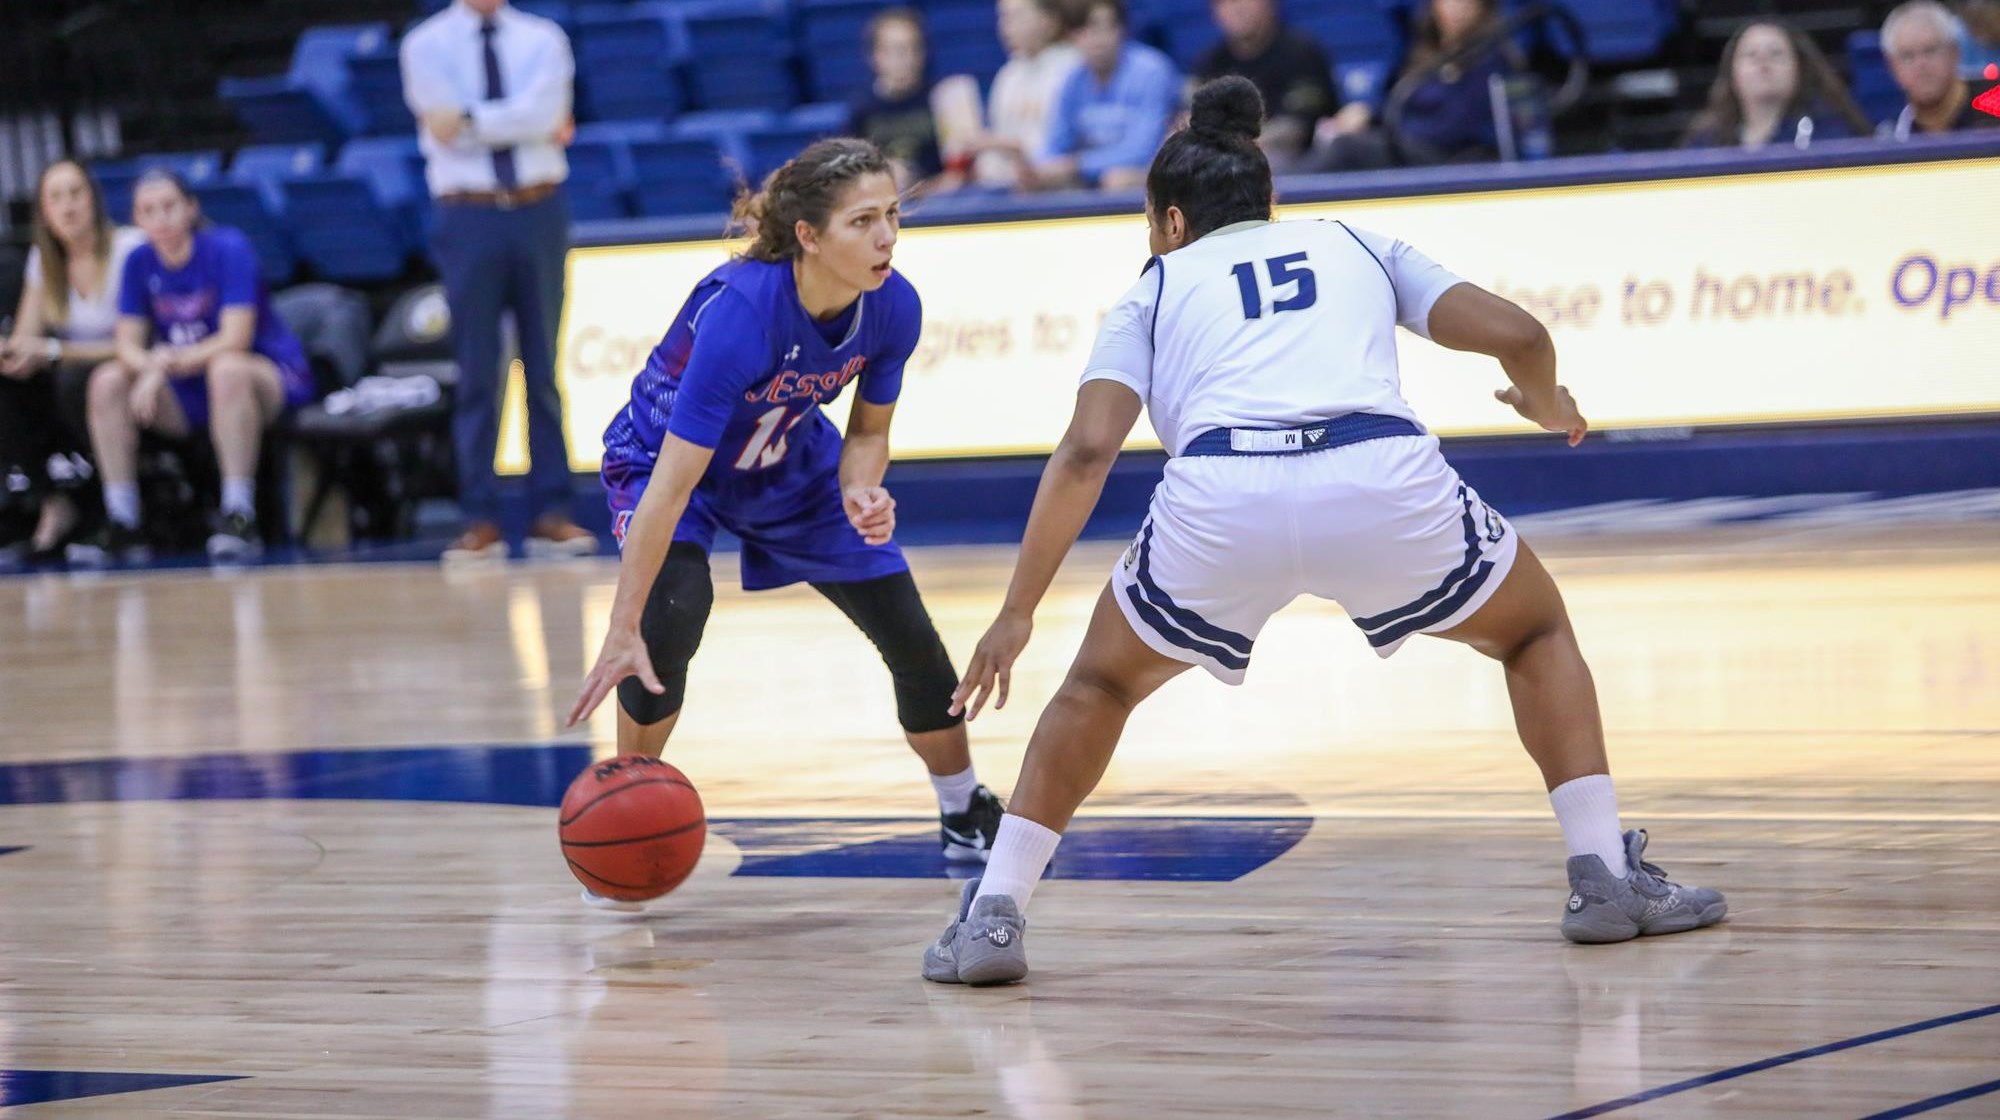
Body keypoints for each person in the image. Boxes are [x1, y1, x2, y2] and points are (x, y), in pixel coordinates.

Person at [920, 78, 1727, 986]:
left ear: (1171, 221)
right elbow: (1520, 333)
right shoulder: (1352, 242)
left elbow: (1087, 449)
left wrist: (1016, 611)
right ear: (1269, 202)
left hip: (1224, 495)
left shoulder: (1154, 284)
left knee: (1098, 687)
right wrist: (1544, 405)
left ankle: (995, 915)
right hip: (1378, 480)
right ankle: (1604, 876)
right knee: (1535, 632)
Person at [565, 139, 1004, 911]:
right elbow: (671, 486)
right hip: (670, 466)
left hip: (792, 466)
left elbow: (867, 433)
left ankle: (964, 809)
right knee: (671, 618)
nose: (887, 238)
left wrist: (864, 491)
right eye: (863, 221)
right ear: (809, 235)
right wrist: (623, 622)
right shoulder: (741, 313)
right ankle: (627, 800)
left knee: (909, 632)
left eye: (892, 216)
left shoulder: (893, 305)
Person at [400, 0, 597, 563]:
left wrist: (469, 121)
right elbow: (446, 125)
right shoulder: (425, 44)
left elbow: (545, 116)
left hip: (539, 208)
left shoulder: (544, 37)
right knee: (477, 371)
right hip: (468, 214)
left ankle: (552, 513)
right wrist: (515, 119)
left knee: (544, 367)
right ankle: (479, 518)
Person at [69, 171, 315, 564]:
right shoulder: (138, 261)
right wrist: (151, 368)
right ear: (137, 219)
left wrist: (162, 366)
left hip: (262, 375)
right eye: (148, 211)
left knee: (226, 369)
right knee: (107, 380)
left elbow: (234, 338)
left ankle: (239, 514)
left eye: (169, 207)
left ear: (191, 208)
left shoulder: (228, 247)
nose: (160, 219)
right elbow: (126, 344)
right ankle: (123, 519)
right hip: (186, 387)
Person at [0, 160, 144, 564]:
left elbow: (136, 345)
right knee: (9, 382)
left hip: (130, 374)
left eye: (75, 194)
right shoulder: (43, 262)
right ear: (43, 212)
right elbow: (26, 341)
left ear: (94, 200)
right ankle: (50, 499)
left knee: (76, 380)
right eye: (55, 198)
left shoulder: (129, 249)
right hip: (73, 379)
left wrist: (54, 353)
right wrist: (12, 353)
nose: (67, 207)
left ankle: (116, 506)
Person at [1311, 0, 1523, 170]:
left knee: (1347, 147)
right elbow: (1395, 98)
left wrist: (1393, 136)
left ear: (1483, 7)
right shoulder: (1424, 52)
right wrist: (1367, 114)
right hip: (1407, 147)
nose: (1455, 8)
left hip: (1451, 158)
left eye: (1465, 2)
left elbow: (1457, 127)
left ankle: (1290, 201)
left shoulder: (1492, 59)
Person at [1036, 0, 1181, 192]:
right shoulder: (1072, 80)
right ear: (1073, 36)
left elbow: (1143, 150)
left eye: (1104, 27)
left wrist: (1076, 165)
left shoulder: (1152, 72)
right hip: (1091, 180)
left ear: (1121, 30)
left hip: (1148, 174)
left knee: (1116, 179)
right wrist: (1041, 168)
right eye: (1084, 29)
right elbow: (1055, 144)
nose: (1095, 38)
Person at [1192, 0, 1340, 170]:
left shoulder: (1301, 52)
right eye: (1225, 2)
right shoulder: (1211, 62)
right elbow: (1192, 121)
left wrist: (1229, 144)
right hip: (1227, 159)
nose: (1237, 8)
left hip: (1298, 161)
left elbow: (1296, 130)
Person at [1680, 20, 1870, 150]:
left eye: (1776, 53)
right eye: (1751, 55)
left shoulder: (1833, 132)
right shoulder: (1706, 140)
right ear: (1731, 71)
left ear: (1799, 68)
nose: (1763, 62)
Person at [971, 0, 1083, 190]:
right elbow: (994, 149)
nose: (1005, 26)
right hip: (1010, 189)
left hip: (1063, 190)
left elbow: (1066, 146)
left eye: (1016, 16)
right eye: (1002, 17)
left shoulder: (1074, 68)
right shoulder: (1008, 75)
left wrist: (1015, 150)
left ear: (1049, 21)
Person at [849, 8, 949, 190]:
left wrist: (922, 190)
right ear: (876, 55)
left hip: (940, 203)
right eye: (899, 50)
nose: (908, 59)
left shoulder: (942, 100)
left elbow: (961, 175)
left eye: (915, 48)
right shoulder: (861, 110)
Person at [1879, 0, 2000, 137]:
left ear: (1954, 53)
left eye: (1930, 51)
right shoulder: (1894, 134)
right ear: (1892, 67)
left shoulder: (1995, 102)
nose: (1921, 64)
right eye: (1908, 56)